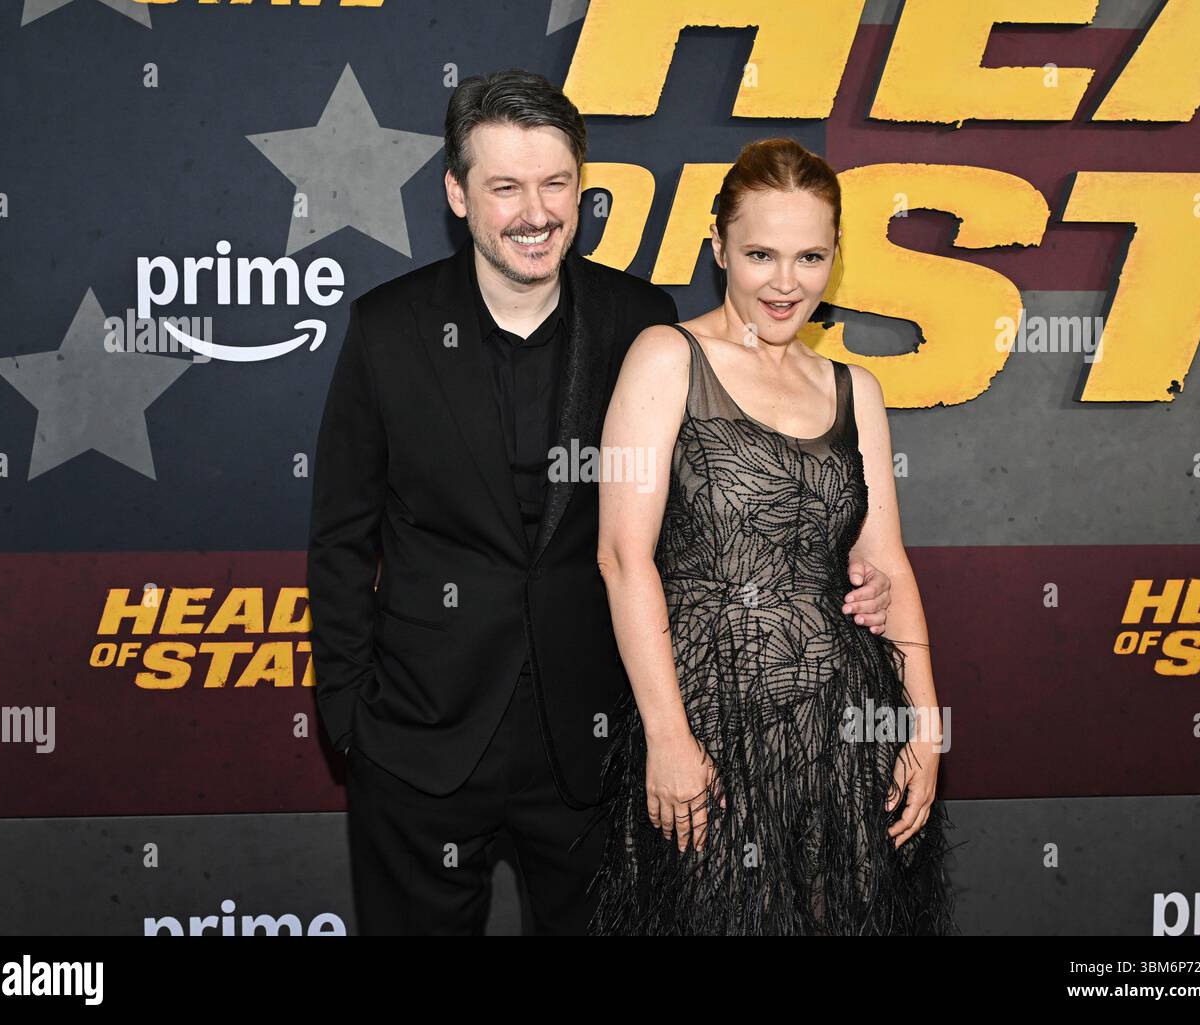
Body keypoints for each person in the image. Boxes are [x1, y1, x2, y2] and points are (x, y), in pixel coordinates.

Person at [306, 71, 896, 935]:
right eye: (505, 186)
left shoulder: (639, 323)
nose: (534, 211)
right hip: (419, 739)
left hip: (598, 740)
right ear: (457, 194)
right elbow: (340, 537)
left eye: (556, 184)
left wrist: (839, 574)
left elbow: (711, 510)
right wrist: (352, 716)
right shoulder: (387, 329)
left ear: (581, 189)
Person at [587, 138, 957, 935]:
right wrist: (668, 736)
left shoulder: (856, 389)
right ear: (718, 246)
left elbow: (884, 561)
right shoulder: (666, 357)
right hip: (709, 724)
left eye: (810, 256)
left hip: (842, 723)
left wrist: (923, 722)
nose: (786, 282)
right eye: (760, 253)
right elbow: (622, 556)